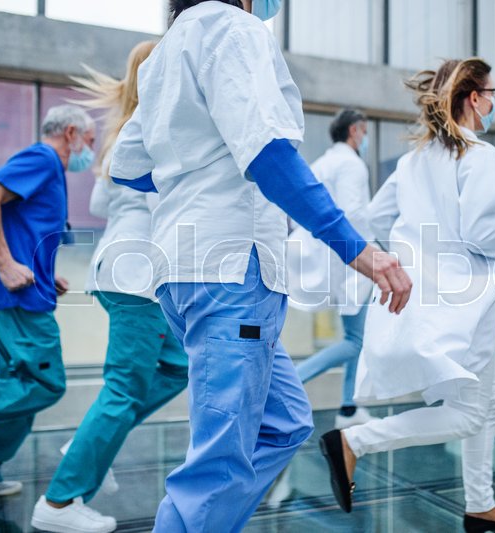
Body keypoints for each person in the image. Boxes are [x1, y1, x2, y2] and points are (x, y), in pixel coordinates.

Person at [108, 1, 412, 531]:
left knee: (286, 423)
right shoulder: (233, 27)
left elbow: (128, 167)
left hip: (184, 272)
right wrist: (358, 249)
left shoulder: (165, 52)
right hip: (230, 271)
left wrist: (192, 179)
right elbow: (268, 153)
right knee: (216, 465)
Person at [318, 58, 495, 532]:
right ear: (473, 98)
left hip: (430, 302)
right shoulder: (479, 155)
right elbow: (481, 233)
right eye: (491, 93)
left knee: (488, 396)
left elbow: (373, 217)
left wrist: (414, 254)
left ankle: (480, 505)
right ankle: (356, 442)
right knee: (469, 413)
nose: (493, 102)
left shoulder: (415, 160)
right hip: (467, 300)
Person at [31, 41, 190, 533]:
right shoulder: (162, 125)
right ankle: (59, 503)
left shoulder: (127, 128)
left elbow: (101, 202)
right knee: (123, 389)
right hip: (135, 272)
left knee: (177, 366)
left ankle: (90, 438)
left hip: (126, 268)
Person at [0, 105, 95, 498]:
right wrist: (7, 264)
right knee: (44, 383)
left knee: (19, 386)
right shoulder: (42, 158)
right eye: (90, 142)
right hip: (15, 298)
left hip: (23, 293)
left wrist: (45, 273)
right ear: (72, 132)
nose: (89, 152)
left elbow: (24, 227)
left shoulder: (49, 170)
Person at [288, 108, 377, 429]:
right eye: (365, 132)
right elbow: (353, 212)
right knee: (355, 339)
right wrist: (374, 252)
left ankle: (349, 409)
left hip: (327, 257)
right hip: (352, 259)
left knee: (356, 335)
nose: (365, 139)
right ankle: (291, 382)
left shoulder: (324, 163)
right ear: (354, 131)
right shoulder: (351, 165)